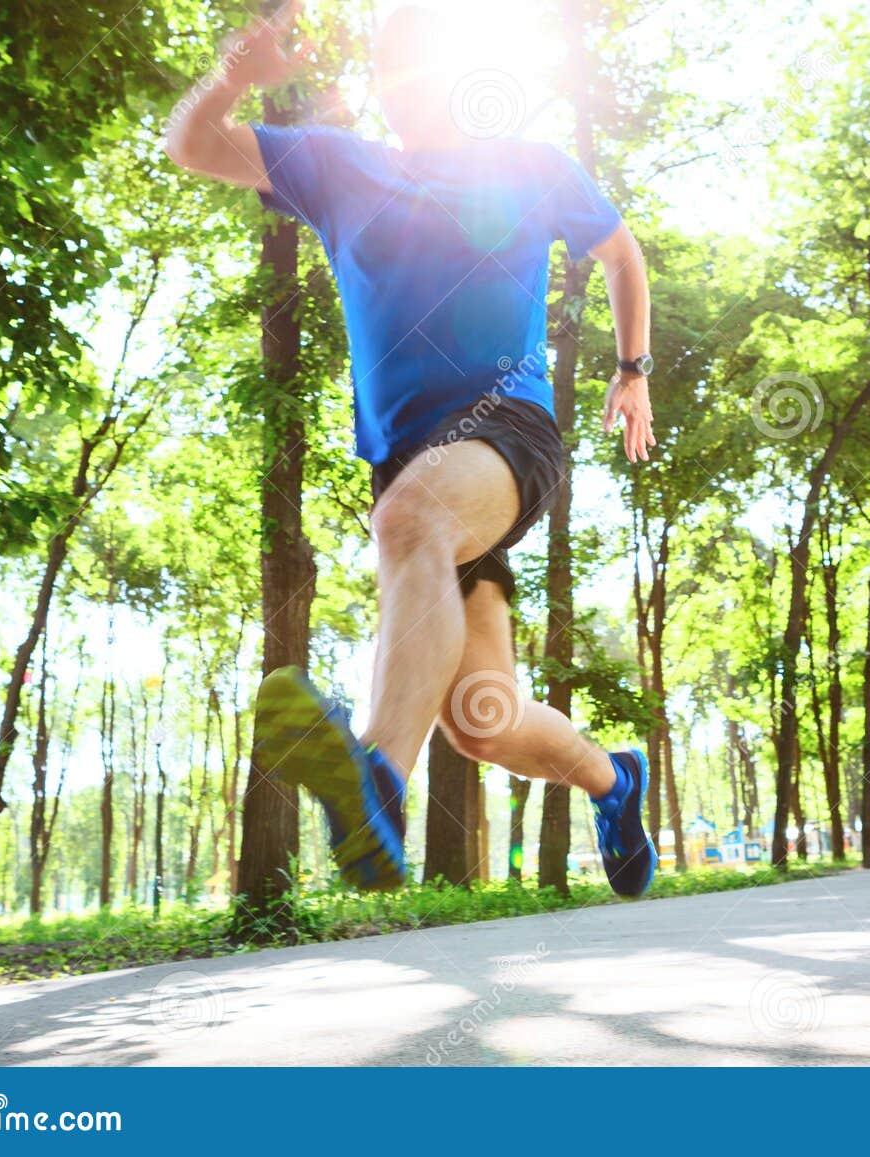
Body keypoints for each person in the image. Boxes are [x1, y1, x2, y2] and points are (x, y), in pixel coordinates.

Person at [164, 2, 658, 896]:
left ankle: (377, 787)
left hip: (506, 429)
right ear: (386, 87)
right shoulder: (335, 164)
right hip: (414, 466)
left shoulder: (533, 167)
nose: (416, 83)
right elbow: (191, 146)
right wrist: (236, 76)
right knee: (484, 718)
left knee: (410, 517)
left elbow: (623, 256)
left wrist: (634, 368)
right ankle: (612, 778)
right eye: (398, 67)